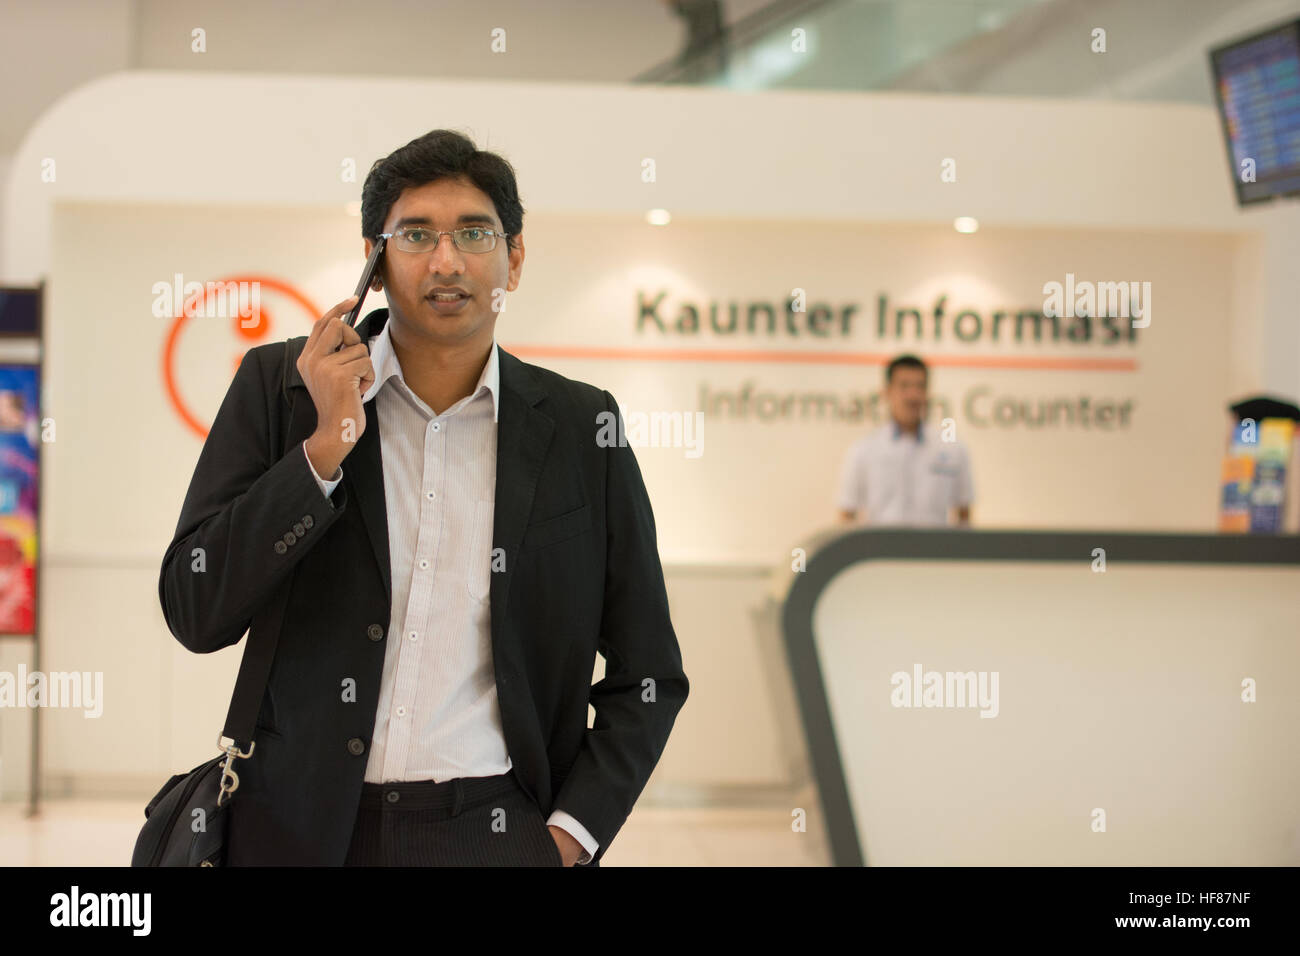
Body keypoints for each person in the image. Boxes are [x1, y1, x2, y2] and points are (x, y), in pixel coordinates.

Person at [158, 129, 689, 866]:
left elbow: (651, 673)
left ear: (516, 257)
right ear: (375, 261)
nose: (447, 261)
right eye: (416, 234)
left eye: (475, 232)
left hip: (493, 829)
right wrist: (321, 451)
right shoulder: (282, 390)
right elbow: (195, 610)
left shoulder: (578, 427)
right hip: (294, 829)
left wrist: (569, 837)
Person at [837, 354, 973, 527]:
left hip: (934, 551)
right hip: (881, 551)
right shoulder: (864, 449)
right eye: (904, 386)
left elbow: (964, 514)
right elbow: (847, 514)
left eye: (920, 386)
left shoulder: (952, 448)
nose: (913, 395)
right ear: (887, 391)